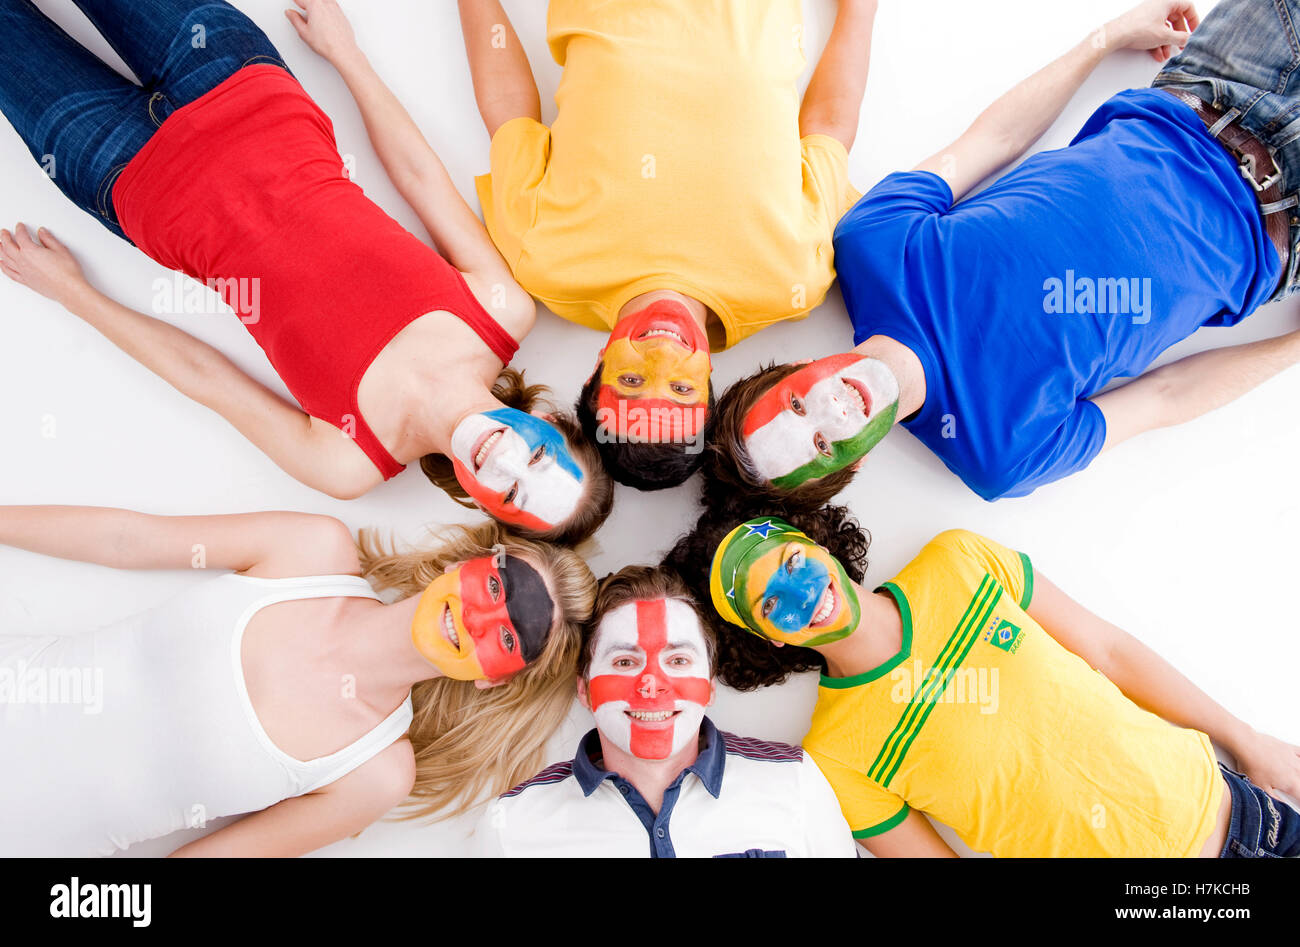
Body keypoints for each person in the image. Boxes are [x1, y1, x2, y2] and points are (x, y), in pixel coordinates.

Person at [0, 0, 613, 543]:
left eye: (510, 497)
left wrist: (75, 296)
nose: (506, 464)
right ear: (551, 423)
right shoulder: (501, 311)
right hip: (234, 80)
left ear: (483, 509)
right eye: (538, 458)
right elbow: (419, 175)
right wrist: (347, 56)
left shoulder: (350, 464)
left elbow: (205, 377)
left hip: (123, 170)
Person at [703, 0, 1300, 509]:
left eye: (797, 403)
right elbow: (1170, 396)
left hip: (1222, 82)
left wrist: (1109, 36)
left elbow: (995, 139)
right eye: (823, 446)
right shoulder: (1000, 455)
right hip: (1284, 231)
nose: (830, 410)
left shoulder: (870, 245)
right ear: (850, 470)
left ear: (786, 371)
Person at [666, 509, 1300, 857]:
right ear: (771, 636)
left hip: (1238, 812)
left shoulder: (959, 560)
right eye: (773, 604)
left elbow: (1111, 652)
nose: (803, 594)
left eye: (794, 562)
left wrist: (1248, 739)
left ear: (815, 542)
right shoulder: (837, 757)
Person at [0, 504, 597, 857]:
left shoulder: (376, 773)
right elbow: (127, 539)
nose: (479, 618)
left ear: (493, 681)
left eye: (510, 638)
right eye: (495, 587)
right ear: (462, 566)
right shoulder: (310, 551)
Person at [459, 0, 876, 489]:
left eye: (632, 382)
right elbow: (828, 126)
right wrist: (859, 10)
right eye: (681, 387)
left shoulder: (544, 261)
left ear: (598, 368)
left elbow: (510, 112)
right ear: (708, 377)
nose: (663, 356)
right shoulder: (793, 280)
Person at [474, 565, 856, 857]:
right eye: (624, 662)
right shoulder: (514, 825)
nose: (652, 683)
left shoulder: (793, 781)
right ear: (584, 689)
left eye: (677, 659)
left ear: (708, 686)